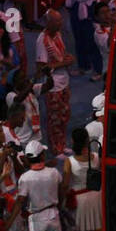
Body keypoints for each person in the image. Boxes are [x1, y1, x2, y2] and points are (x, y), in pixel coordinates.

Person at [64, 126, 102, 231]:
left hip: (80, 201)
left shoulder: (70, 162)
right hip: (95, 198)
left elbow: (65, 185)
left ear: (73, 141)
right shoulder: (95, 157)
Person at [35, 9, 73, 154]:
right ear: (49, 23)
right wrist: (64, 63)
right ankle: (56, 150)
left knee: (64, 115)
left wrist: (68, 58)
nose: (61, 23)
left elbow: (60, 55)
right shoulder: (42, 41)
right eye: (57, 21)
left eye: (60, 20)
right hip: (53, 86)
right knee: (55, 119)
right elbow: (41, 68)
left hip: (64, 82)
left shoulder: (58, 34)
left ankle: (62, 145)